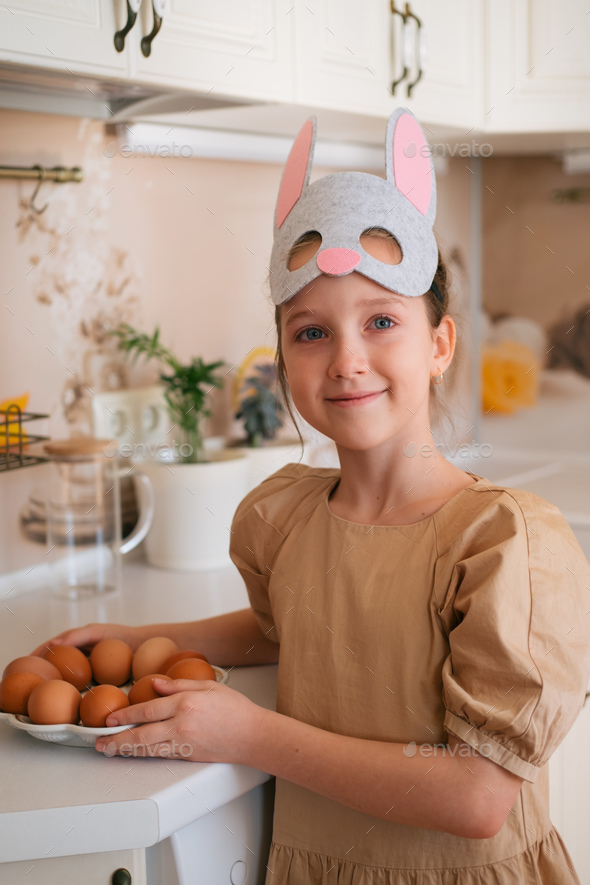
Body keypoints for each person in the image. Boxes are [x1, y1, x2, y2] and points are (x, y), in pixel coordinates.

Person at [34, 109, 590, 884]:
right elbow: (289, 623)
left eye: (382, 321)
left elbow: (477, 794)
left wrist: (252, 735)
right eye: (311, 332)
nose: (346, 361)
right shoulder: (286, 515)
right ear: (283, 354)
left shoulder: (503, 544)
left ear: (439, 345)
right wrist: (136, 633)